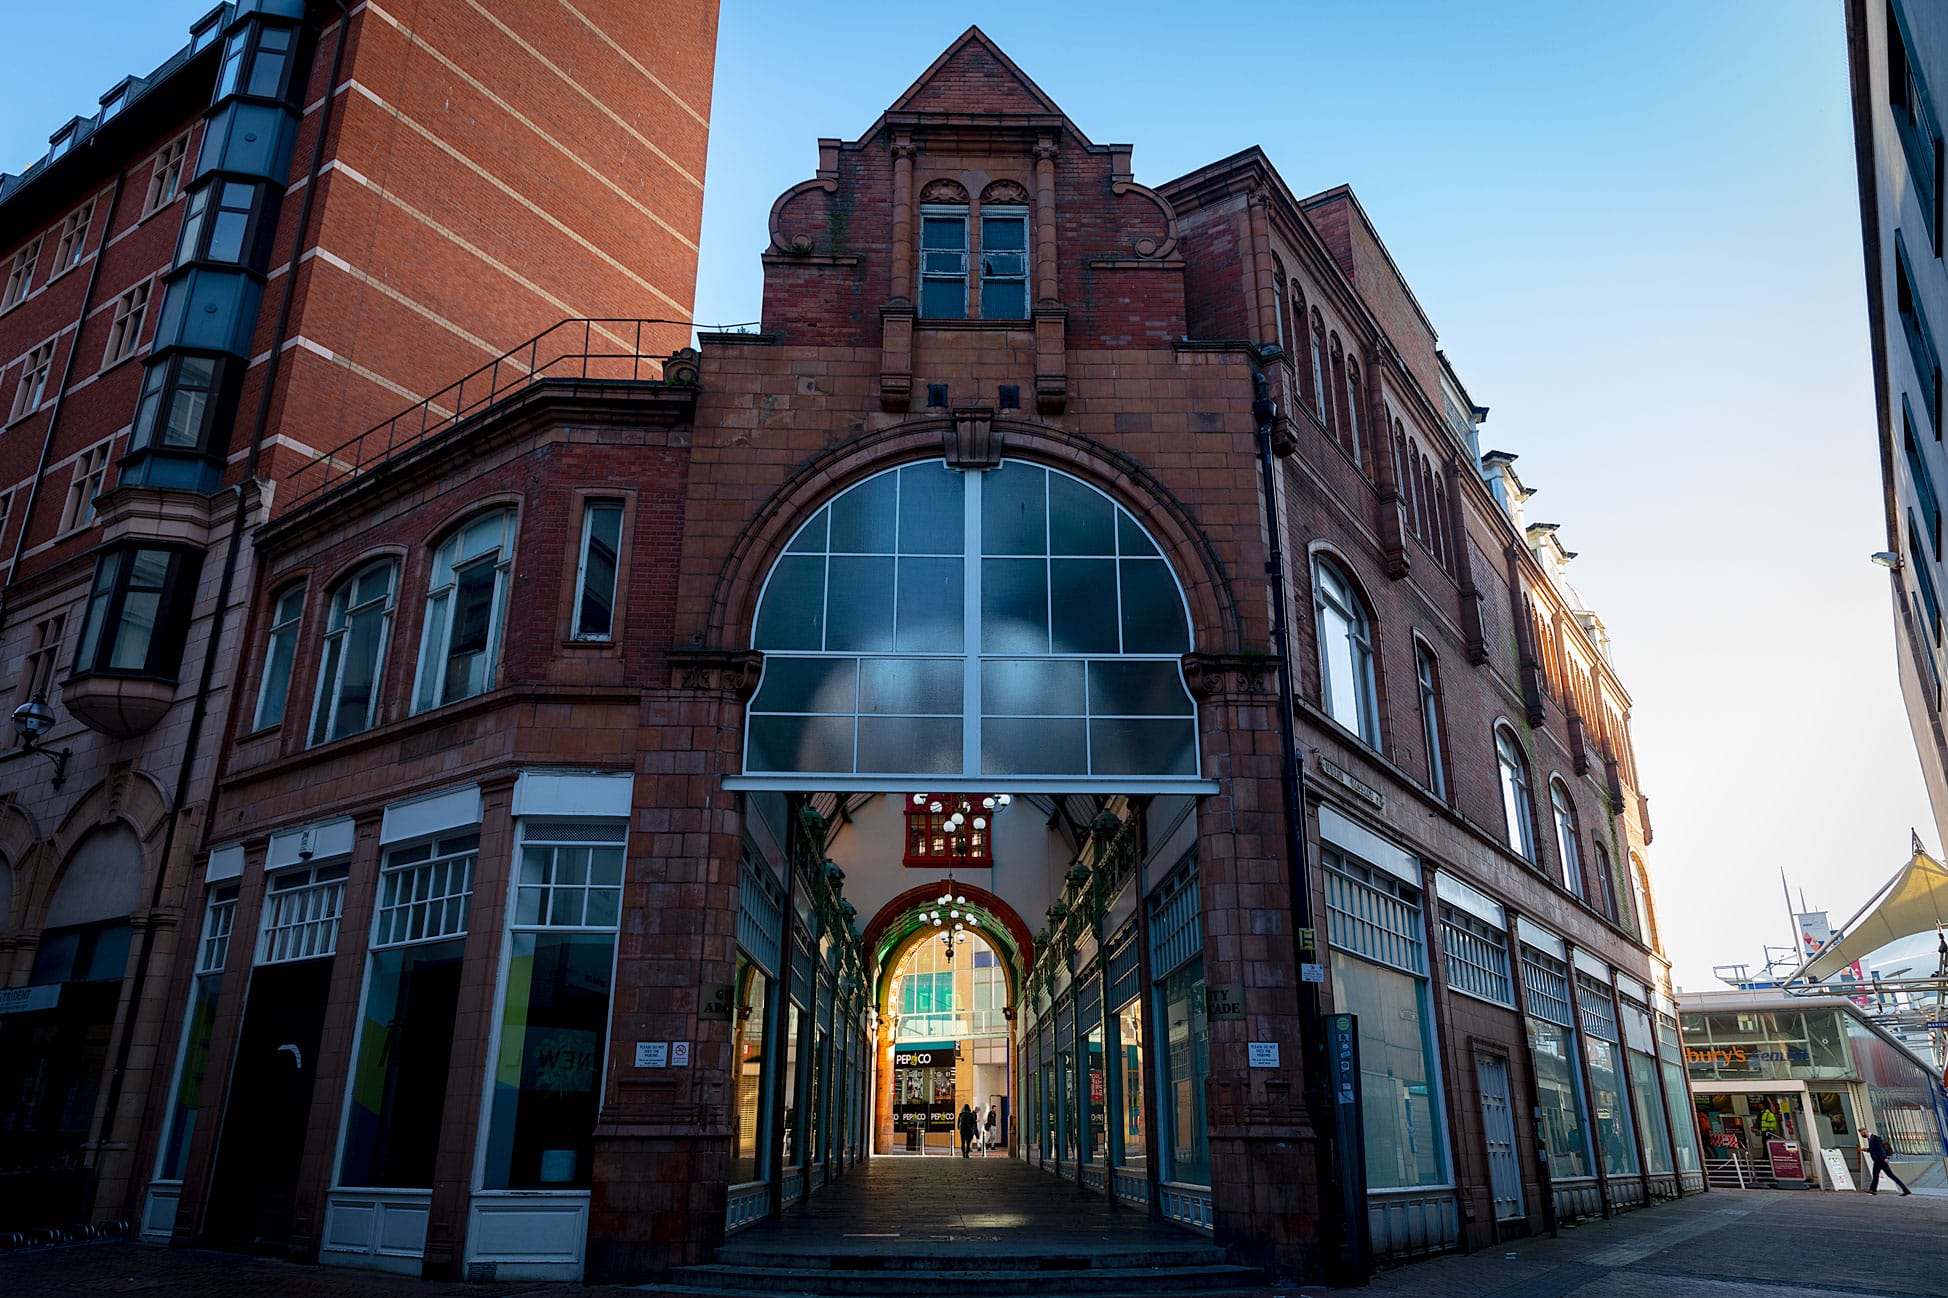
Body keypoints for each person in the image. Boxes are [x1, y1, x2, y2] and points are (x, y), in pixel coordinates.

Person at [1865, 1129, 1913, 1196]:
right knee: (1878, 1175)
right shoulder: (1871, 1138)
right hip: (1878, 1160)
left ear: (1864, 1131)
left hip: (1880, 1160)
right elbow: (1874, 1149)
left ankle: (1905, 1189)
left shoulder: (1874, 1138)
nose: (1862, 1135)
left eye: (1861, 1133)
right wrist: (1867, 1149)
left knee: (1889, 1175)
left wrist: (1884, 1157)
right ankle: (1873, 1189)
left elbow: (1880, 1148)